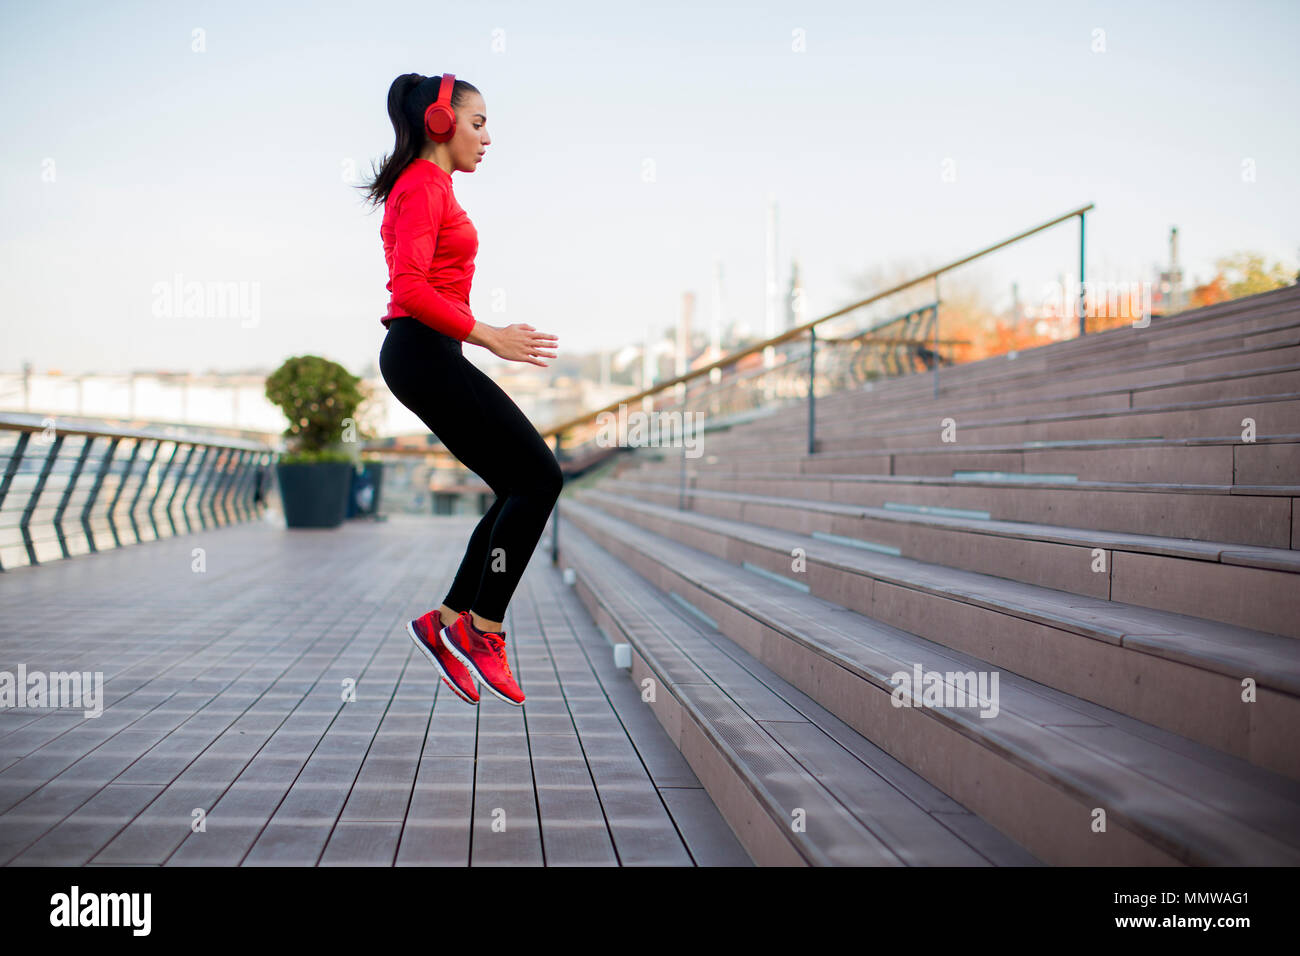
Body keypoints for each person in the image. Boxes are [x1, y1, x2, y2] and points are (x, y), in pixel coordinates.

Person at [358, 72, 563, 707]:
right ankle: (484, 630)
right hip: (422, 352)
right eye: (478, 124)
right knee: (541, 479)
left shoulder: (431, 186)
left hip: (426, 353)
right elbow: (412, 288)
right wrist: (492, 336)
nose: (488, 138)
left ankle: (447, 622)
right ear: (440, 123)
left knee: (518, 487)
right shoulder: (422, 185)